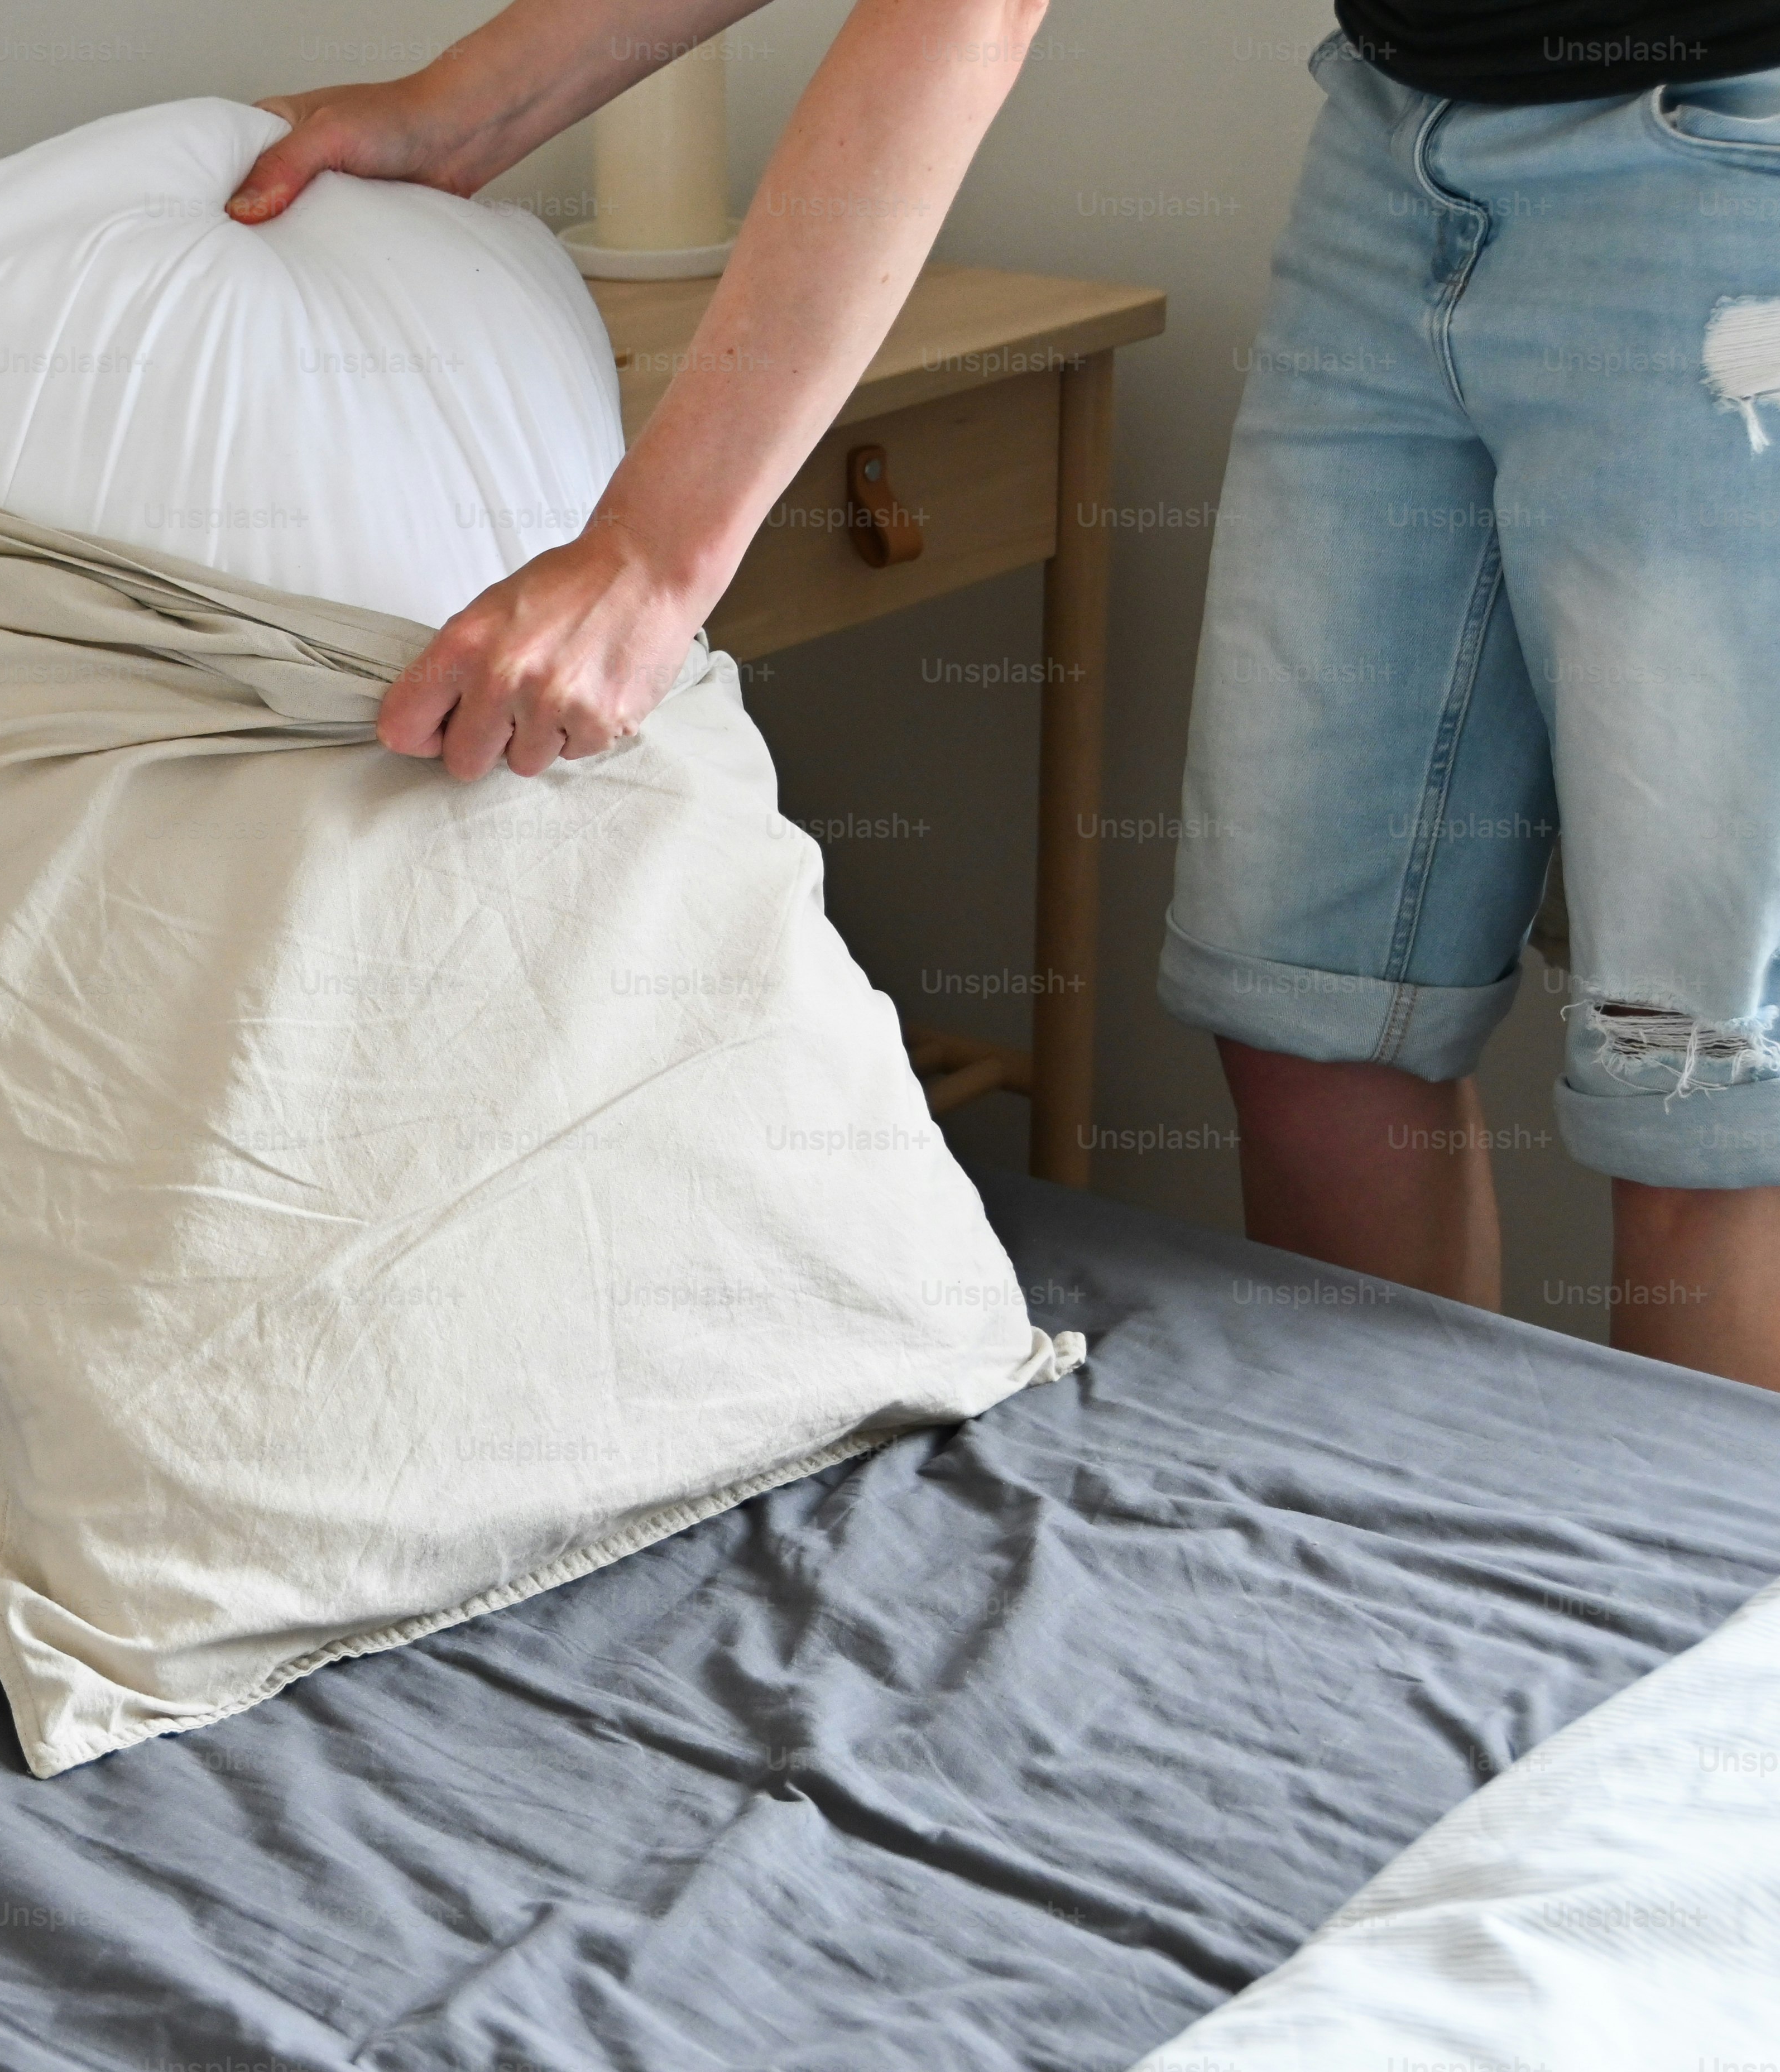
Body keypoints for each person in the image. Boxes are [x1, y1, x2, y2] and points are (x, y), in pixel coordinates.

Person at [232, 0, 1780, 1391]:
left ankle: (1723, 1696)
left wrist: (650, 559)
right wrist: (464, 106)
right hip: (1399, 134)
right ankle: (1394, 1638)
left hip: (1733, 156)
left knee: (1703, 1094)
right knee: (1309, 1025)